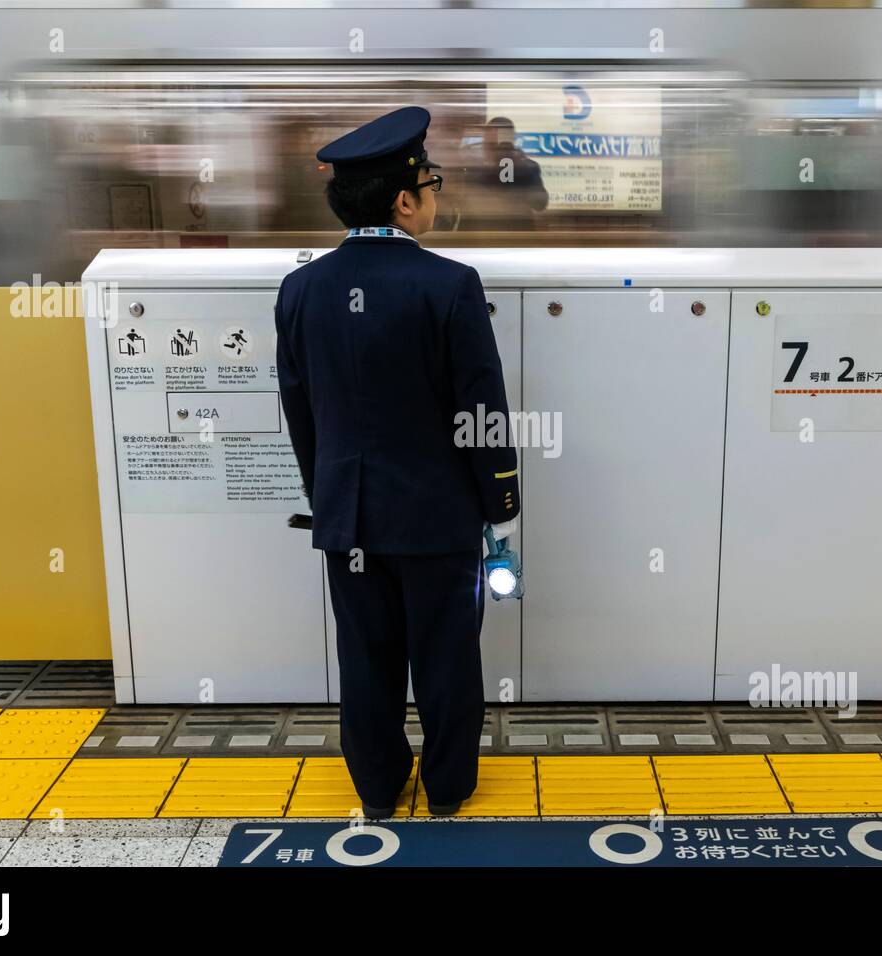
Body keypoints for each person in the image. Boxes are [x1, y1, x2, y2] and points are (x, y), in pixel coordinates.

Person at [274, 106, 520, 819]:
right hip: (437, 519)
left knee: (366, 659)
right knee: (445, 659)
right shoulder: (449, 285)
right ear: (405, 199)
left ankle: (378, 788)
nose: (436, 200)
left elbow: (301, 409)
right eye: (432, 186)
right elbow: (481, 412)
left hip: (347, 518)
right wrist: (498, 503)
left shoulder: (301, 289)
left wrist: (328, 496)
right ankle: (448, 789)